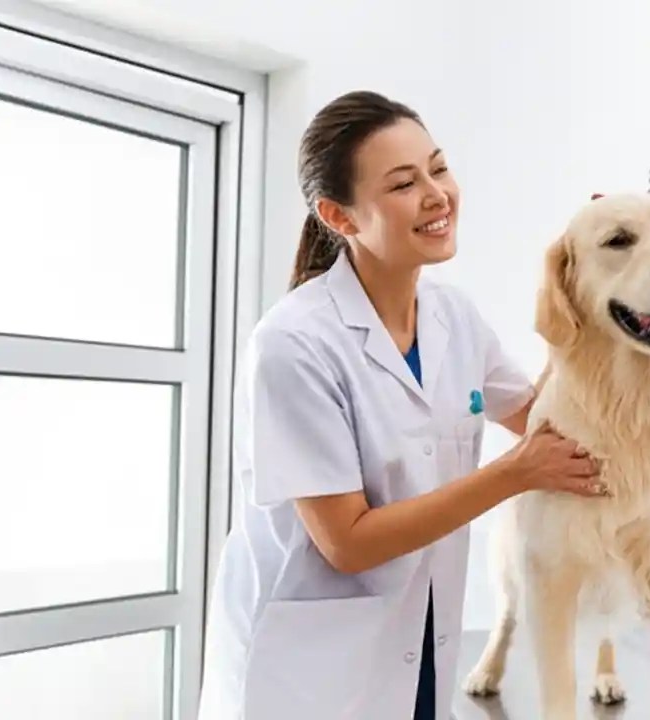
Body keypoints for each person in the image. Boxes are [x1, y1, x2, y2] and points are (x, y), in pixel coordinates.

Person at [196, 90, 607, 720]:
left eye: (438, 169)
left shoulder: (454, 317)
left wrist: (586, 285)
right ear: (340, 216)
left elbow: (543, 418)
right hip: (310, 673)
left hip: (416, 642)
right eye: (403, 184)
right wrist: (515, 473)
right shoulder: (294, 345)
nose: (437, 194)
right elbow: (349, 543)